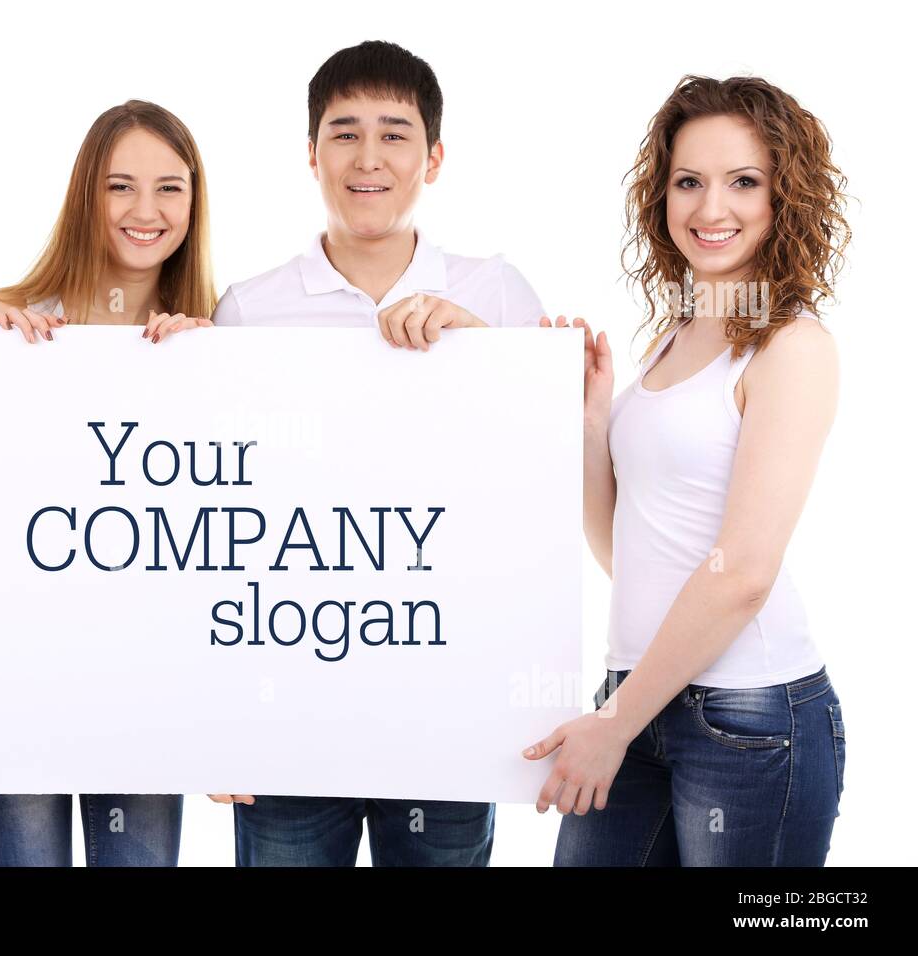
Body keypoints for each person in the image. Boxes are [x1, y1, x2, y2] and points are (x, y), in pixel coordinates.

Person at [209, 40, 546, 867]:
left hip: (448, 699)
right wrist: (215, 717)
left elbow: (541, 486)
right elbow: (216, 525)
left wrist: (486, 356)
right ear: (312, 153)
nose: (369, 158)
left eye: (395, 134)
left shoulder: (496, 294)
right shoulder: (251, 310)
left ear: (433, 157)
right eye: (345, 133)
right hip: (291, 705)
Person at [525, 75, 851, 866]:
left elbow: (742, 574)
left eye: (745, 182)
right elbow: (625, 554)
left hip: (750, 717)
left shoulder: (791, 346)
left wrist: (613, 723)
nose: (712, 209)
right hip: (639, 697)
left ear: (786, 197)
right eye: (689, 182)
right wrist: (593, 422)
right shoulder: (678, 335)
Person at [0, 99, 217, 865]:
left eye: (170, 188)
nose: (146, 211)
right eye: (121, 187)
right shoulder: (11, 328)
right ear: (87, 197)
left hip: (146, 689)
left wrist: (210, 373)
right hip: (18, 680)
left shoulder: (214, 339)